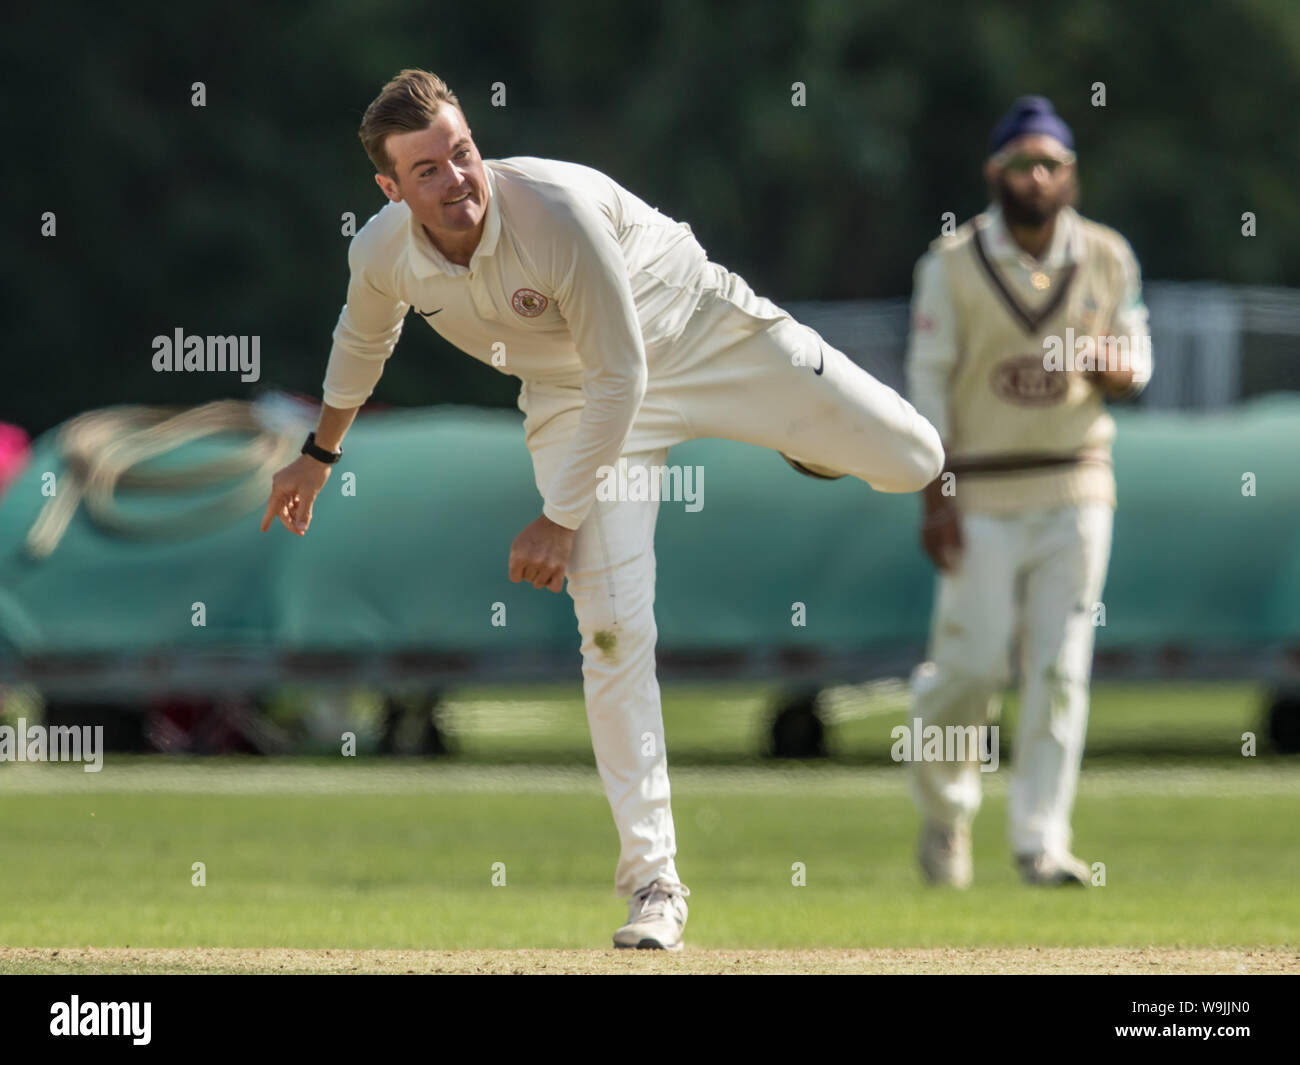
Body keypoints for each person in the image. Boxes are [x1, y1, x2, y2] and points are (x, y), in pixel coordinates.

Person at [262, 69, 944, 947]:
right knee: (614, 630)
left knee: (916, 459)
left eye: (462, 152)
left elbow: (625, 369)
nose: (457, 178)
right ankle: (655, 884)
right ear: (390, 189)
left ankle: (796, 435)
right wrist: (318, 454)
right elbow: (363, 340)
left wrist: (559, 516)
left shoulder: (554, 208)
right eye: (427, 170)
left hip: (699, 332)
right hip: (569, 396)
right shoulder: (382, 251)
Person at [904, 96, 1152, 888]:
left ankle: (1041, 841)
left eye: (1049, 163)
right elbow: (929, 388)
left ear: (1070, 175)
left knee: (1059, 669)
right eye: (1020, 163)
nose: (1035, 176)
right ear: (994, 172)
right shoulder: (950, 263)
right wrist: (934, 494)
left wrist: (1118, 369)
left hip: (1075, 482)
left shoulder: (1108, 256)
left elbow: (1137, 359)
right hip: (977, 489)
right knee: (970, 669)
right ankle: (946, 816)